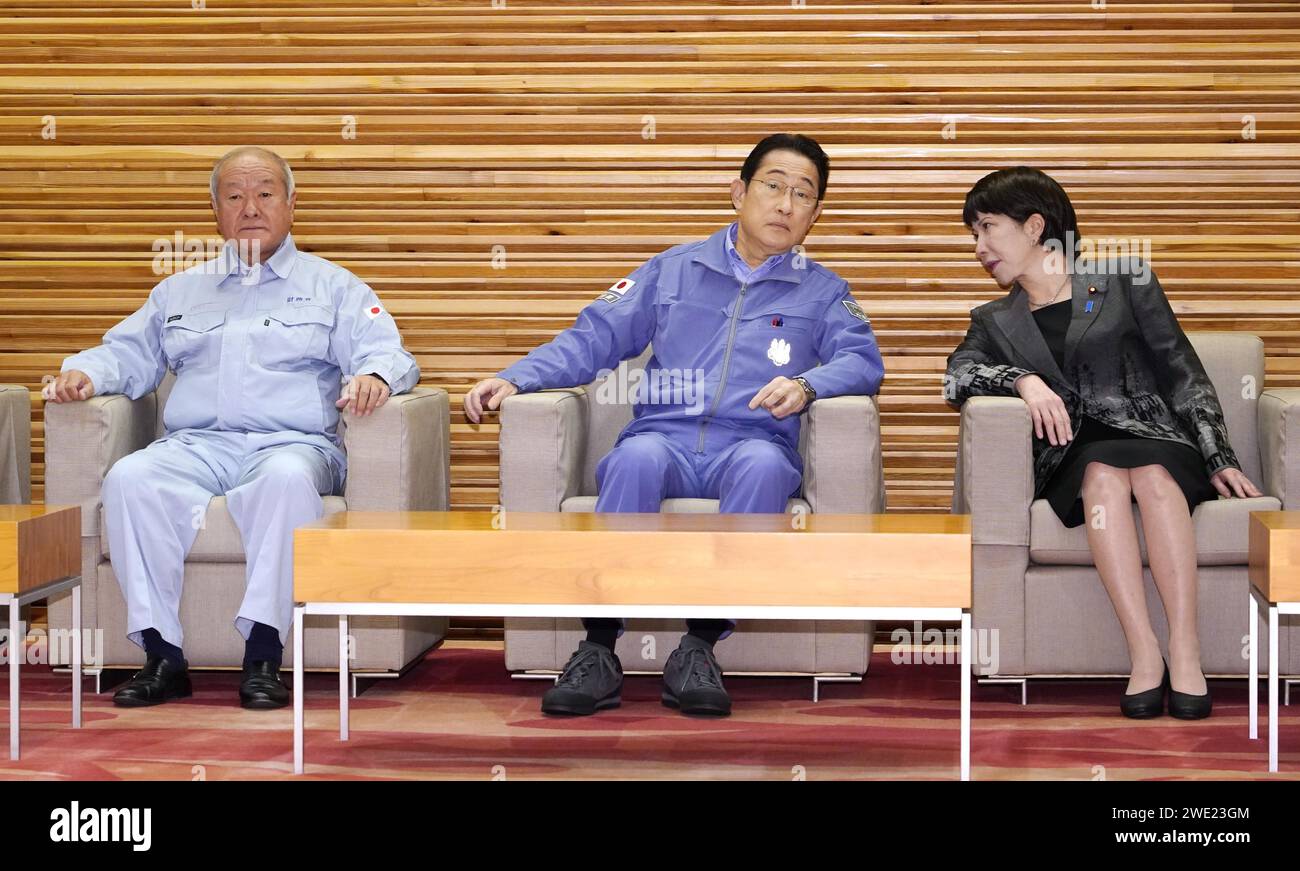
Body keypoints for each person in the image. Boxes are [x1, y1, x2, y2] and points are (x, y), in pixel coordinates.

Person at [465, 133, 884, 717]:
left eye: (803, 194)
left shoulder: (823, 291)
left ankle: (699, 648)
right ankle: (599, 649)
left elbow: (863, 361)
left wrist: (809, 385)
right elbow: (594, 337)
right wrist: (517, 377)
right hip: (664, 437)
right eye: (773, 185)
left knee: (764, 467)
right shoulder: (671, 271)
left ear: (815, 213)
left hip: (754, 440)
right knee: (633, 460)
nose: (786, 204)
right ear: (738, 192)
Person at [45, 146, 419, 709]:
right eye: (235, 195)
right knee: (130, 478)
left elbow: (388, 351)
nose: (251, 207)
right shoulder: (179, 290)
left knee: (285, 481)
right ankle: (162, 655)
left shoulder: (335, 287)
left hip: (292, 444)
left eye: (265, 193)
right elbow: (127, 353)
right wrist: (84, 374)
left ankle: (264, 656)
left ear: (291, 205)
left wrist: (374, 375)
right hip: (197, 446)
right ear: (215, 209)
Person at [945, 166, 1261, 719]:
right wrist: (1021, 379)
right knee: (1102, 477)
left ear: (1035, 225)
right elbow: (956, 378)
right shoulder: (994, 321)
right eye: (974, 234)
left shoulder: (1125, 280)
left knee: (1156, 479)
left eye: (988, 228)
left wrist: (1218, 455)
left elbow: (1181, 370)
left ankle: (1184, 651)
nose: (979, 247)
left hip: (1154, 436)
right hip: (1074, 450)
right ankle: (1144, 654)